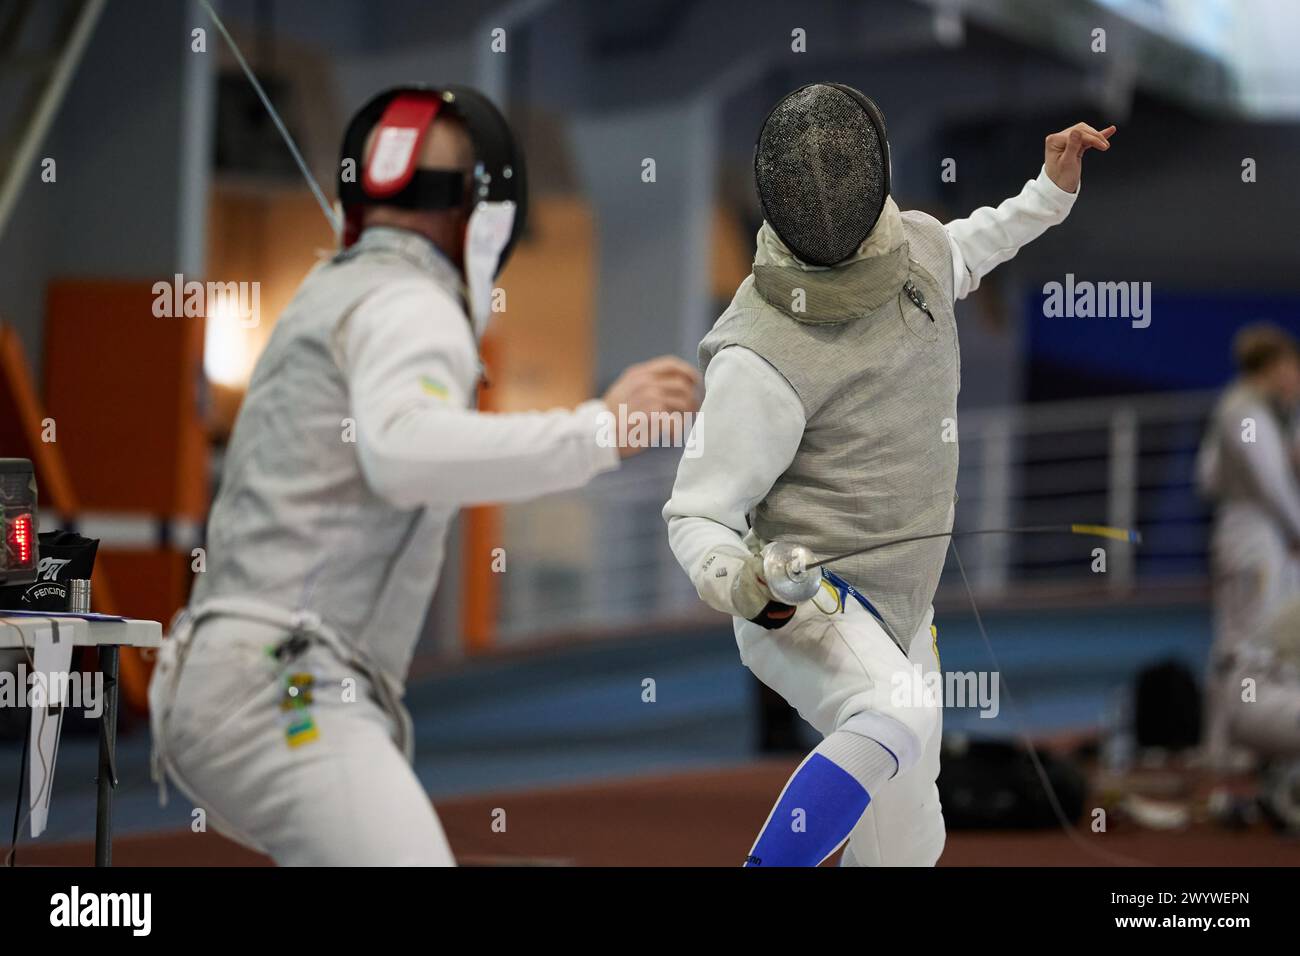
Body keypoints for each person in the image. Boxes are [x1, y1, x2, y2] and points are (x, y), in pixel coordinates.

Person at [148, 85, 698, 865]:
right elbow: (403, 454)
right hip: (285, 688)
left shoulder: (331, 292)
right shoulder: (413, 302)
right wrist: (601, 428)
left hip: (236, 675)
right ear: (483, 216)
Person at [664, 82, 1111, 866]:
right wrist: (744, 581)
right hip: (810, 599)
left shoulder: (919, 251)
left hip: (906, 609)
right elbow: (697, 514)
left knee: (909, 844)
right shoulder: (758, 353)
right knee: (896, 713)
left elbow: (974, 244)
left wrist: (1049, 191)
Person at [1196, 323, 1300, 769]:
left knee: (1233, 640)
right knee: (1252, 641)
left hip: (1238, 531)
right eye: (1292, 367)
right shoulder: (1248, 415)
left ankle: (1223, 743)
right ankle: (1236, 742)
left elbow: (1206, 478)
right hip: (1256, 538)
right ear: (1274, 366)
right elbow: (1273, 482)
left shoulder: (1237, 407)